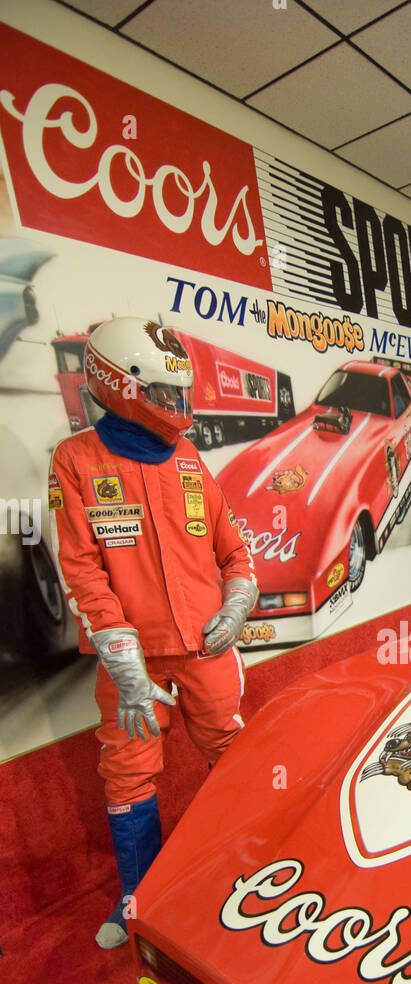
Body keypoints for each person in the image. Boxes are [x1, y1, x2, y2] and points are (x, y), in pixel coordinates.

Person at [49, 318, 258, 949]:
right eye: (165, 394)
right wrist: (126, 664)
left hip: (206, 653)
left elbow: (236, 555)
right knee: (127, 776)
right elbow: (81, 570)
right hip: (132, 667)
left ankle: (254, 873)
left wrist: (236, 607)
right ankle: (138, 896)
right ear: (120, 385)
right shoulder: (76, 459)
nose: (178, 407)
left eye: (180, 393)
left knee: (236, 757)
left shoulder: (191, 458)